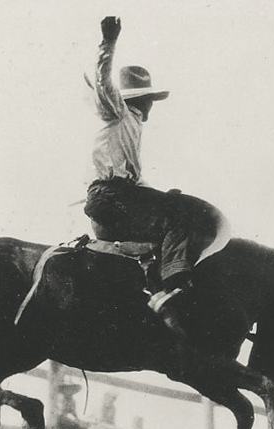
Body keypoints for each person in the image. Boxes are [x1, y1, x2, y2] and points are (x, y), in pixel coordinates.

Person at [83, 16, 230, 337]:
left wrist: (161, 196)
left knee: (169, 212)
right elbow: (103, 84)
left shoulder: (130, 124)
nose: (151, 106)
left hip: (117, 196)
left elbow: (135, 181)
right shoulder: (117, 110)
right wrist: (108, 43)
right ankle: (174, 280)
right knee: (180, 211)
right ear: (140, 99)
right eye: (149, 99)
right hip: (110, 196)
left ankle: (157, 289)